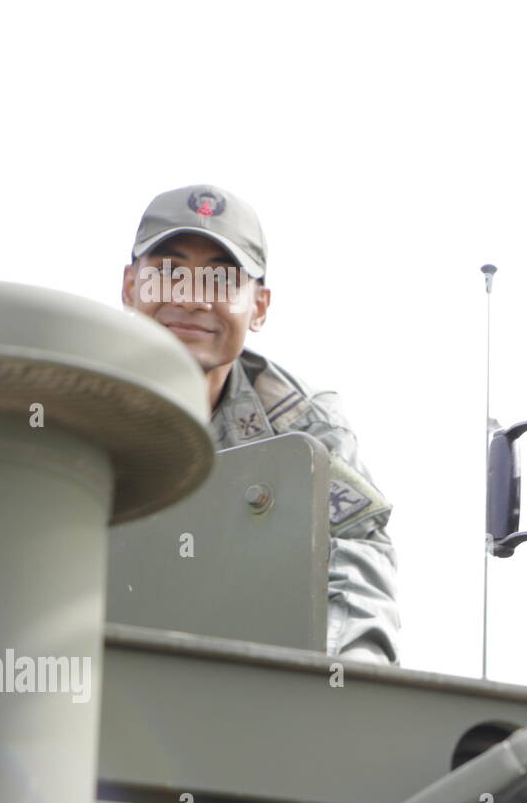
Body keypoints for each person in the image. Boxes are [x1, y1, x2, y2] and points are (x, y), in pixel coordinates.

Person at [120, 184, 401, 664]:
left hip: (239, 678)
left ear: (260, 307)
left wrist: (343, 679)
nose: (190, 299)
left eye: (221, 281)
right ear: (131, 287)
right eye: (168, 274)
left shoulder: (302, 428)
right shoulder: (68, 396)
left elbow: (356, 562)